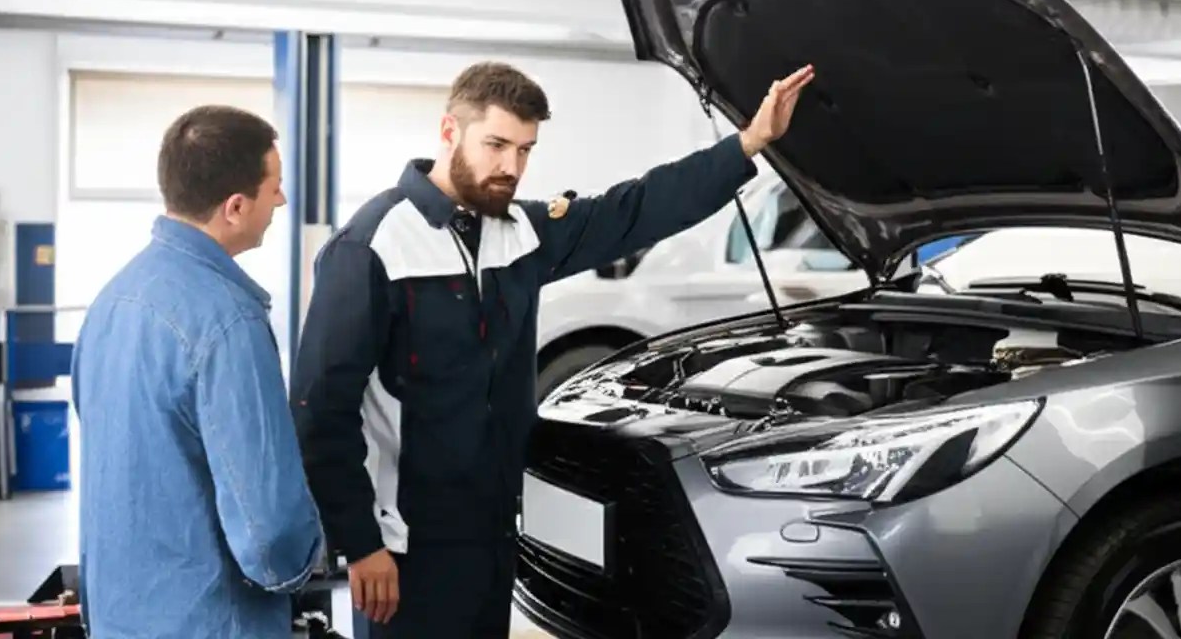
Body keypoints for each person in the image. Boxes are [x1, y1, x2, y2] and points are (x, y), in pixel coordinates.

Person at [290, 61, 815, 637]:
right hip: (408, 544)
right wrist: (360, 545)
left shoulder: (519, 233)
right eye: (495, 145)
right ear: (449, 133)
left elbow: (635, 209)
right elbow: (321, 410)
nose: (510, 167)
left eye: (524, 150)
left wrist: (746, 145)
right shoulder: (373, 247)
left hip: (494, 532)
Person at [71, 105, 324, 638]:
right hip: (210, 620)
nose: (280, 199)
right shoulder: (228, 321)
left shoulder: (112, 301)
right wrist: (313, 555)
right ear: (235, 207)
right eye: (274, 186)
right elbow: (270, 539)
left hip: (120, 618)